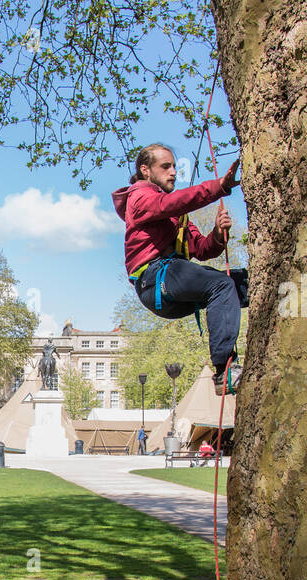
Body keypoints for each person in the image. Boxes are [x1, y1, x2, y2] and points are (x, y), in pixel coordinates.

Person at [113, 144, 248, 396]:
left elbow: (202, 248)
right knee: (220, 284)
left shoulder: (177, 217)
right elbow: (172, 203)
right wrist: (219, 186)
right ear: (145, 170)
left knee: (242, 283)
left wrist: (218, 234)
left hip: (171, 283)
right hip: (154, 279)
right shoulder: (140, 196)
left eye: (174, 166)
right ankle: (224, 369)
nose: (173, 172)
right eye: (165, 167)